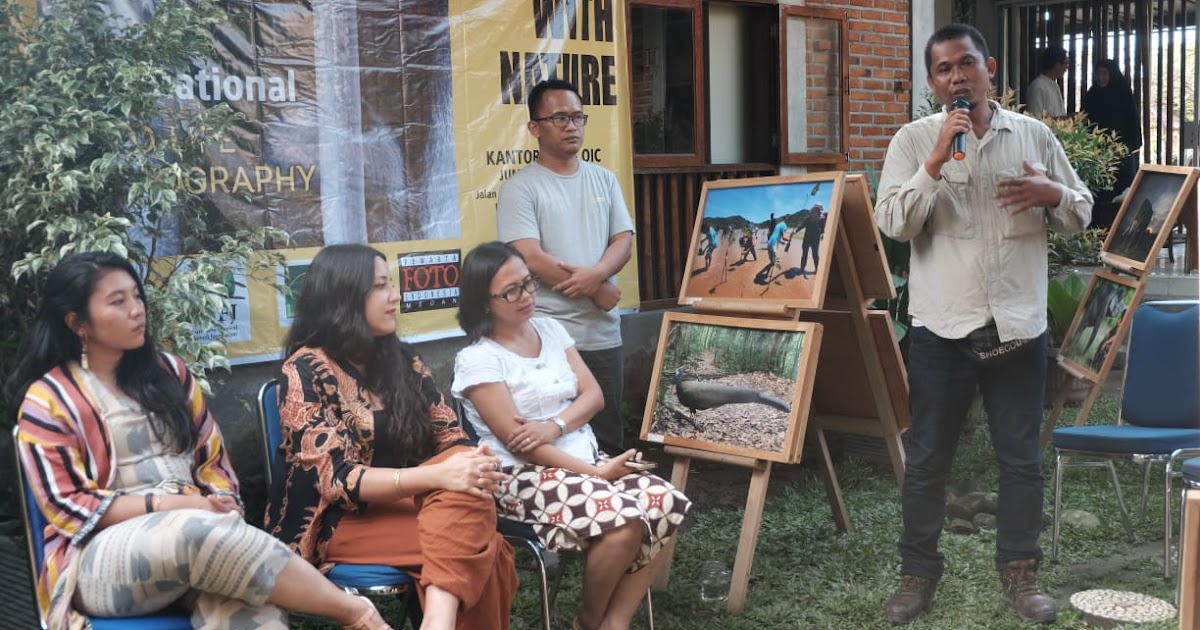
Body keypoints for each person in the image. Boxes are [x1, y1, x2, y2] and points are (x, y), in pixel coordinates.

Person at [8, 251, 392, 630]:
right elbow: (68, 506)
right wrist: (175, 504)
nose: (137, 309)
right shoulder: (49, 399)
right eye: (118, 301)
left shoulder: (170, 373)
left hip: (201, 541)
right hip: (99, 563)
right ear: (78, 322)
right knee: (196, 534)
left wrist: (220, 501)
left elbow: (213, 463)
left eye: (137, 296)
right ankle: (355, 613)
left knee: (254, 610)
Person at [875, 24, 1092, 625]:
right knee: (926, 460)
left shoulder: (1035, 135)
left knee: (1019, 459)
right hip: (942, 329)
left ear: (989, 67)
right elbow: (894, 223)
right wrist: (937, 161)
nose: (956, 78)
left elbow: (1082, 210)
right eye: (943, 70)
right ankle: (916, 575)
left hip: (1017, 326)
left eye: (966, 64)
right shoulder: (913, 140)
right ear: (931, 82)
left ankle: (1021, 575)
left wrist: (1052, 192)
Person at [264, 244, 518, 630]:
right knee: (486, 548)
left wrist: (472, 463)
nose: (395, 296)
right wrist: (436, 477)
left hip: (415, 505)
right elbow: (336, 481)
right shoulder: (304, 370)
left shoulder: (402, 360)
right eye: (381, 286)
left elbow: (450, 435)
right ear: (346, 297)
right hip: (341, 522)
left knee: (468, 502)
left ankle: (437, 622)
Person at [451, 241, 691, 630]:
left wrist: (554, 426)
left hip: (584, 461)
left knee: (665, 499)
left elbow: (594, 395)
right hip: (521, 478)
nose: (527, 296)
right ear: (483, 302)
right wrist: (594, 474)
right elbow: (519, 443)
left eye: (528, 284)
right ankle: (590, 622)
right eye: (512, 291)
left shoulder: (550, 328)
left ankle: (616, 621)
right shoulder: (479, 359)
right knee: (625, 521)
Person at [496, 79, 635, 457]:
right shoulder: (521, 188)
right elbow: (529, 255)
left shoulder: (604, 179)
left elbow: (623, 239)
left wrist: (597, 274)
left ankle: (614, 512)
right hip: (548, 336)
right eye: (559, 118)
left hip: (602, 333)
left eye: (577, 117)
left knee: (607, 436)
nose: (571, 125)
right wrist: (598, 288)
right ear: (534, 128)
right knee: (556, 438)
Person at [1081, 59, 1142, 204]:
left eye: (1105, 74)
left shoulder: (1123, 92)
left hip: (1123, 149)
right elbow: (1086, 122)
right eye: (1098, 74)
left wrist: (1129, 146)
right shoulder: (1092, 95)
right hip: (1100, 152)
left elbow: (1132, 120)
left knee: (1126, 191)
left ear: (1112, 74)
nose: (1101, 77)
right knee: (1103, 190)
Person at [1025, 46, 1069, 118]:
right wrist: (1067, 118)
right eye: (1066, 63)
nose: (1067, 67)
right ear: (1057, 65)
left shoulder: (1055, 86)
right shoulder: (1038, 87)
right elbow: (1035, 119)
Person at [799, 204, 825, 277]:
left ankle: (817, 269)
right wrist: (795, 232)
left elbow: (823, 229)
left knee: (815, 255)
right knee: (804, 254)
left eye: (817, 209)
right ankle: (802, 268)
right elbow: (801, 226)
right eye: (814, 209)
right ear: (812, 209)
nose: (815, 211)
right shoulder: (808, 218)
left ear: (819, 210)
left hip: (815, 240)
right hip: (806, 239)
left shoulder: (822, 218)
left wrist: (822, 234)